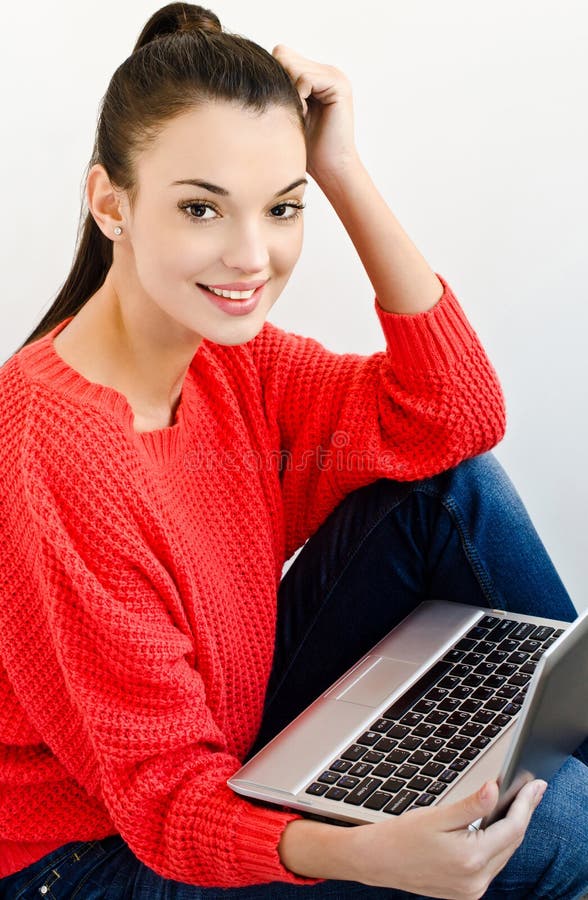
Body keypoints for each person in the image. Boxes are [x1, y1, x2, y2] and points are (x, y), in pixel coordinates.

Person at [0, 3, 586, 897]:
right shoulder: (54, 451)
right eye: (202, 208)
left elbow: (451, 416)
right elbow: (165, 804)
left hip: (224, 734)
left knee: (445, 490)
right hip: (97, 854)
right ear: (109, 203)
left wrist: (340, 166)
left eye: (282, 208)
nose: (251, 256)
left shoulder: (233, 366)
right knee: (552, 822)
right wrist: (368, 851)